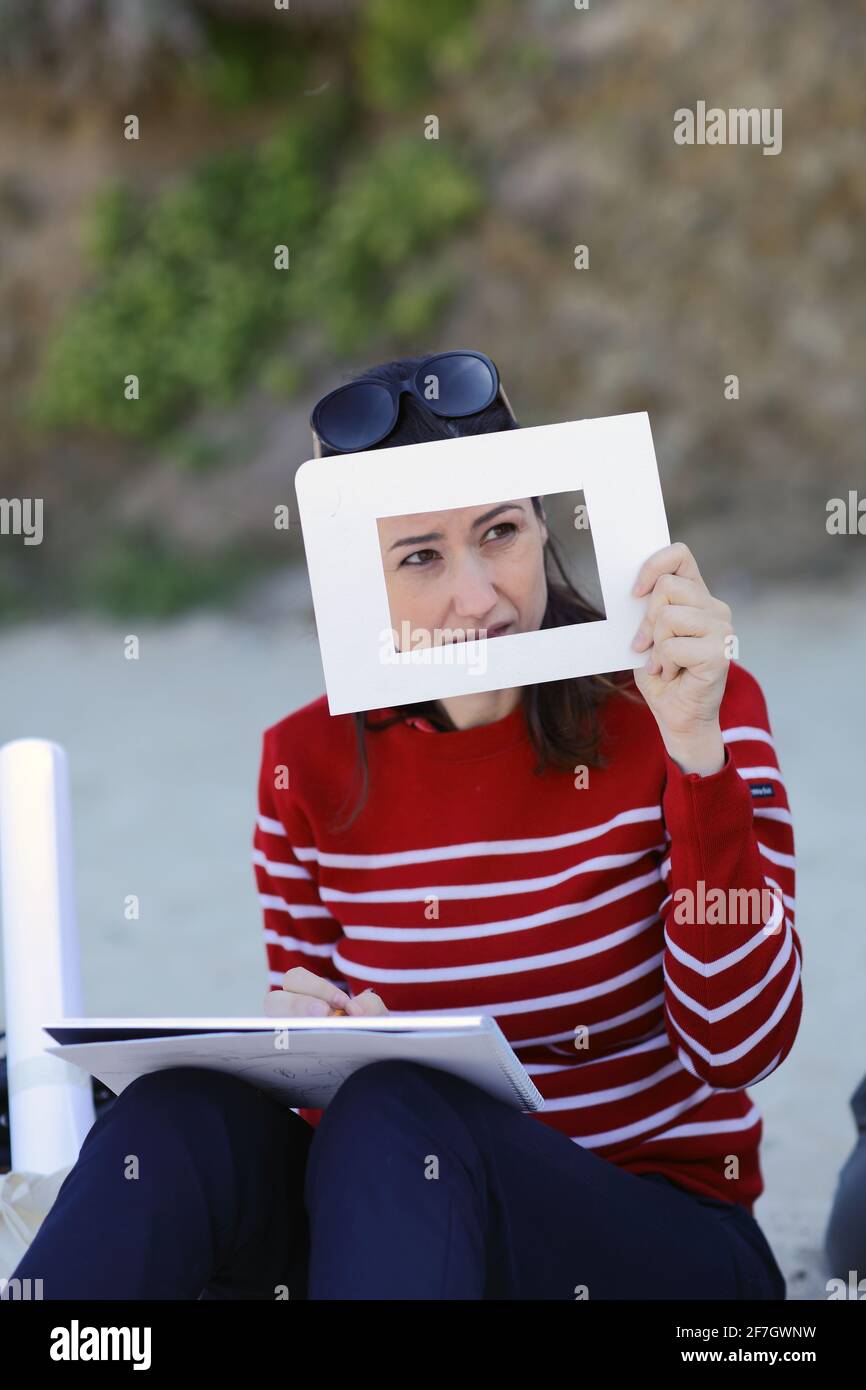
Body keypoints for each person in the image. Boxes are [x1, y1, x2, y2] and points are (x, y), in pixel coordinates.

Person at [5, 349, 800, 1300]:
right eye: (420, 555)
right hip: (407, 1227)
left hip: (660, 1242)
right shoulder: (307, 761)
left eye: (500, 531)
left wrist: (699, 760)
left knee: (398, 1107)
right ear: (354, 580)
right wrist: (312, 1041)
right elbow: (320, 1098)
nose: (476, 596)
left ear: (542, 523)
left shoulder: (689, 702)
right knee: (174, 1116)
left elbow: (741, 1046)